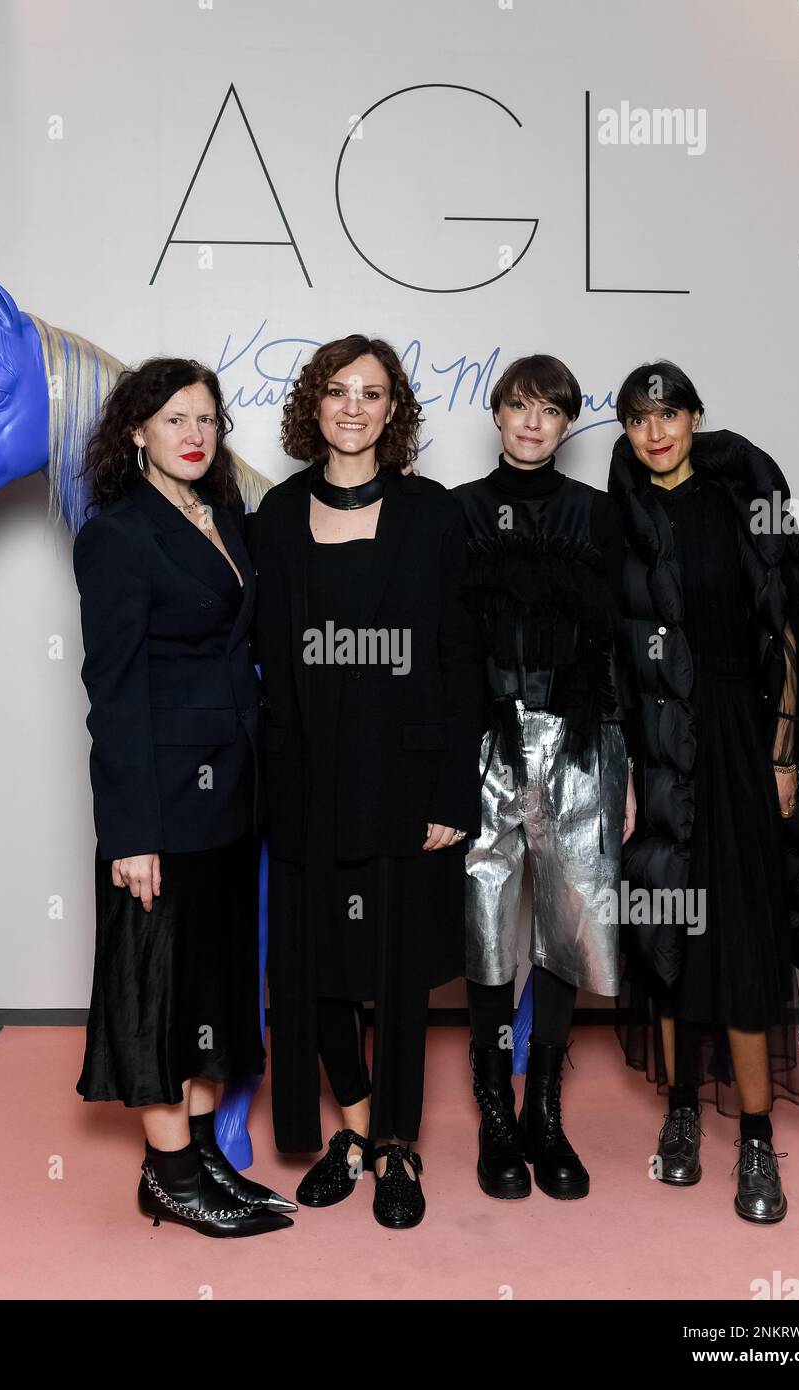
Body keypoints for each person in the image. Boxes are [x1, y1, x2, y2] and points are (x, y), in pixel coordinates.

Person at [608, 360, 799, 1223]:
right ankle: (679, 1115)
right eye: (638, 419)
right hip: (656, 751)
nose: (655, 431)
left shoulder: (738, 499)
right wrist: (626, 771)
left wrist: (786, 758)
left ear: (696, 417)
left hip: (742, 746)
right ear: (628, 434)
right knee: (667, 938)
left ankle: (754, 1139)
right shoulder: (621, 520)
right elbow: (610, 658)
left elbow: (784, 632)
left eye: (668, 413)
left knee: (744, 944)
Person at [250, 334, 483, 1228]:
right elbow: (261, 656)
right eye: (339, 391)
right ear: (314, 405)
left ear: (395, 412)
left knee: (396, 973)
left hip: (404, 781)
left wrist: (452, 794)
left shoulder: (432, 513)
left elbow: (464, 661)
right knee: (318, 971)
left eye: (373, 393)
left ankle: (397, 1148)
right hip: (305, 780)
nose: (354, 406)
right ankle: (350, 1133)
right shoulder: (274, 516)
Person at [73, 356, 295, 1238]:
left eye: (207, 419)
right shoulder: (116, 537)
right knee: (158, 986)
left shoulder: (229, 523)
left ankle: (201, 1160)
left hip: (232, 799)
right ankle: (167, 1172)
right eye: (175, 420)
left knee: (212, 981)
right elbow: (114, 691)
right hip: (160, 802)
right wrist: (130, 832)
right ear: (137, 432)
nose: (196, 435)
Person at [452, 354, 635, 1201]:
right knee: (488, 926)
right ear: (497, 413)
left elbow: (618, 649)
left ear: (567, 423)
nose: (532, 421)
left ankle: (545, 1111)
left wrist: (621, 770)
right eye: (518, 405)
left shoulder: (597, 516)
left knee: (565, 927)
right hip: (485, 742)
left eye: (550, 410)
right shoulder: (455, 513)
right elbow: (442, 651)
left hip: (579, 741)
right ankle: (494, 1110)